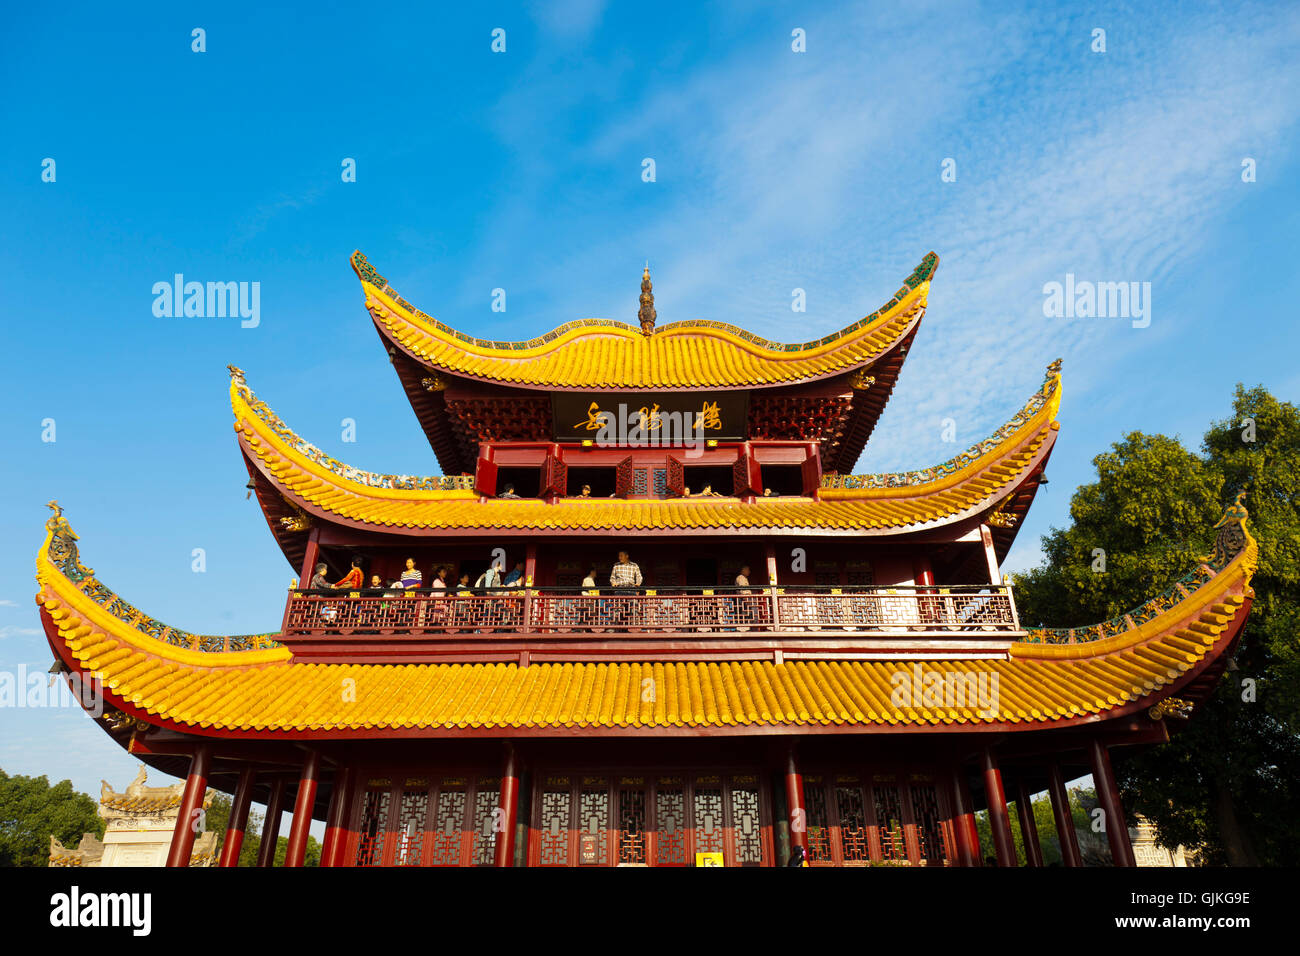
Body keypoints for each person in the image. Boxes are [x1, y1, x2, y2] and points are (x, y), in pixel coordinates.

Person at [610, 550, 642, 628]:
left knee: (633, 608)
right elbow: (612, 578)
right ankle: (614, 627)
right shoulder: (616, 566)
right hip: (619, 589)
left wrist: (638, 584)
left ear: (626, 556)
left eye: (621, 555)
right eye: (619, 556)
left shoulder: (634, 565)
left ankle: (634, 627)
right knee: (617, 609)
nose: (619, 557)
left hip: (631, 589)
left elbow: (639, 576)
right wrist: (613, 583)